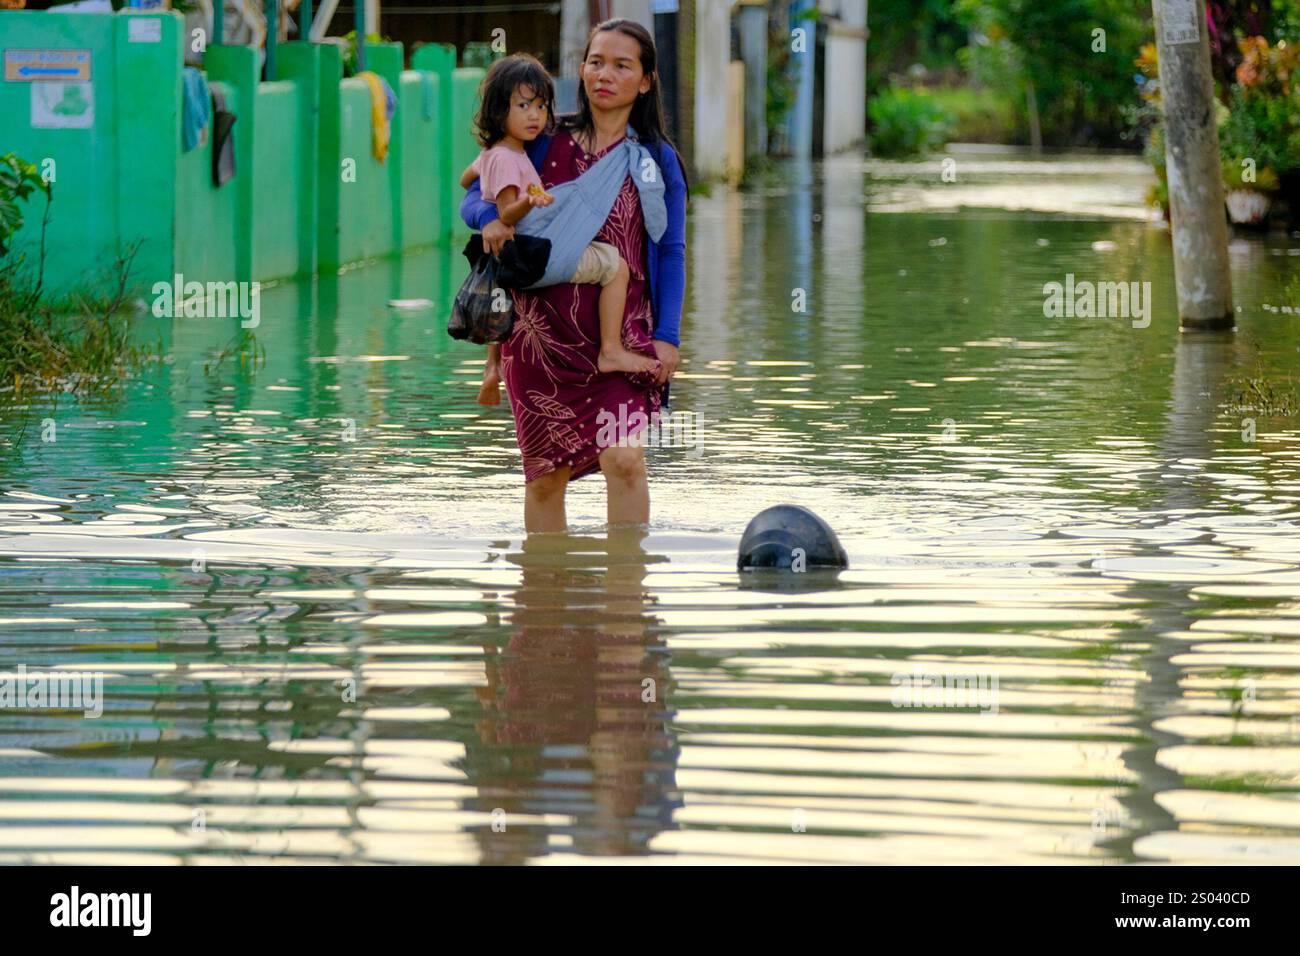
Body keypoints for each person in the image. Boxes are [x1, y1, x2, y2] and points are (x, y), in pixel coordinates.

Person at [460, 19, 687, 533]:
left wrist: (667, 337)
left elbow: (670, 252)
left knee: (624, 459)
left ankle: (625, 600)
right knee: (546, 477)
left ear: (646, 80)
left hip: (621, 339)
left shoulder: (655, 160)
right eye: (595, 61)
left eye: (621, 65)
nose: (603, 74)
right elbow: (474, 195)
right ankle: (545, 601)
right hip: (539, 337)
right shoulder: (541, 138)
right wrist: (488, 219)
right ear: (581, 69)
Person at [458, 54, 660, 406]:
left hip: (507, 258)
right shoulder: (509, 159)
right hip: (535, 255)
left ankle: (492, 369)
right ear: (497, 110)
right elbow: (508, 213)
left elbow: (466, 181)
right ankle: (611, 348)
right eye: (523, 105)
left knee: (500, 305)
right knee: (616, 265)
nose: (535, 115)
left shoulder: (493, 152)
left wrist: (486, 191)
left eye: (541, 105)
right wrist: (530, 201)